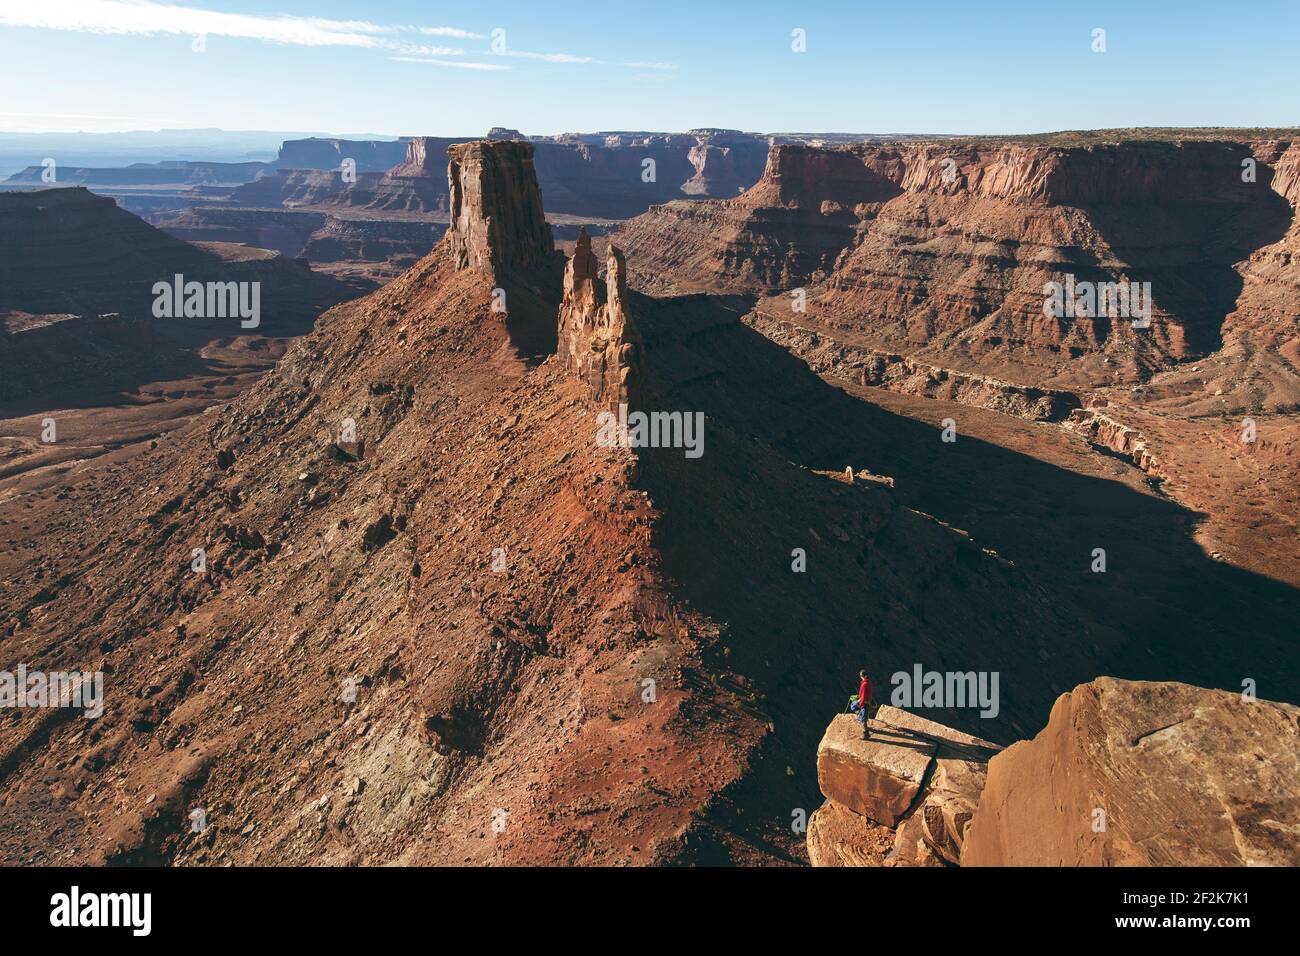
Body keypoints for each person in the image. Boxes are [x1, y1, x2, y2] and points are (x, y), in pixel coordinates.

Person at [847, 669, 874, 739]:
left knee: (863, 719)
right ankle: (859, 713)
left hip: (864, 702)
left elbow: (864, 696)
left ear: (861, 675)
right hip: (867, 701)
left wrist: (861, 704)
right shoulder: (868, 682)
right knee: (853, 705)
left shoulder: (864, 684)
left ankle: (866, 734)